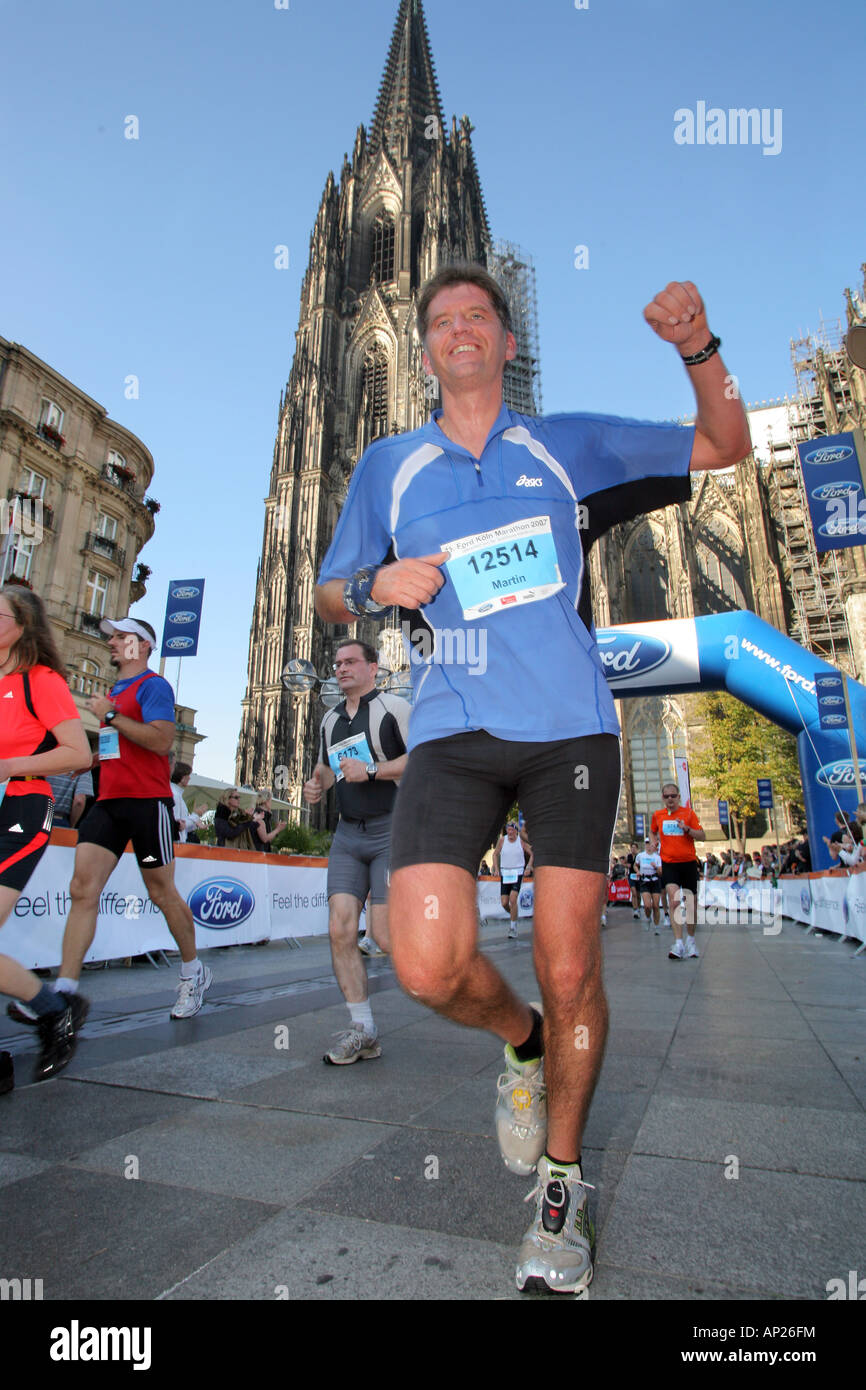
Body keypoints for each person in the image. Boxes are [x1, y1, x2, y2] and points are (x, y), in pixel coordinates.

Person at [314, 262, 750, 1293]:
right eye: (441, 321)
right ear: (423, 348)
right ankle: (519, 1044)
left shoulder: (565, 444)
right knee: (417, 958)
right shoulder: (389, 464)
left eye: (477, 316)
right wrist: (371, 582)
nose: (459, 330)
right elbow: (330, 593)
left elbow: (724, 444)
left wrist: (696, 345)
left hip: (567, 733)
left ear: (506, 342)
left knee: (569, 965)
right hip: (455, 726)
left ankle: (560, 1189)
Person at [49, 618, 213, 1019]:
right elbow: (116, 743)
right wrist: (89, 759)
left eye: (121, 637)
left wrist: (109, 717)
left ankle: (193, 971)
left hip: (147, 803)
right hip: (108, 801)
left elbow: (160, 740)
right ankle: (64, 991)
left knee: (161, 893)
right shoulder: (114, 691)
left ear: (142, 646)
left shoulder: (154, 685)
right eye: (112, 636)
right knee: (82, 889)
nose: (112, 642)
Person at [0, 586, 92, 1081]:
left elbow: (78, 753)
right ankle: (54, 1010)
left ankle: (53, 1009)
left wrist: (9, 765)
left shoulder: (42, 680)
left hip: (20, 810)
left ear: (23, 624)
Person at [303, 639, 409, 1064]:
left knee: (382, 936)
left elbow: (424, 759)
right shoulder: (330, 719)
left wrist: (372, 770)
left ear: (372, 667)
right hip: (348, 834)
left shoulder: (394, 709)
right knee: (340, 930)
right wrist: (318, 784)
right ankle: (362, 1027)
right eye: (337, 663)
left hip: (390, 830)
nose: (340, 669)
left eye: (350, 662)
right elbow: (328, 769)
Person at [651, 783, 705, 958]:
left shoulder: (688, 813)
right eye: (666, 796)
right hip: (669, 864)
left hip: (688, 863)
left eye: (673, 796)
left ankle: (691, 940)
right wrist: (653, 842)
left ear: (678, 797)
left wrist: (687, 829)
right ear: (662, 798)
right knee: (673, 901)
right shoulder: (658, 815)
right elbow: (652, 831)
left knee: (690, 905)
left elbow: (702, 836)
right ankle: (678, 942)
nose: (670, 799)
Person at [492, 821, 533, 939]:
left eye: (512, 830)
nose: (509, 832)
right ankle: (514, 915)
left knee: (513, 898)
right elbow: (495, 854)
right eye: (508, 830)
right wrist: (496, 869)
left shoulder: (521, 841)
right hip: (505, 873)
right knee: (504, 903)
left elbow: (532, 854)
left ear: (516, 831)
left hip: (518, 872)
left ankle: (513, 928)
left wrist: (528, 867)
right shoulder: (502, 840)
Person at [633, 839, 663, 932]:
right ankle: (648, 917)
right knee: (647, 905)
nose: (648, 845)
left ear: (653, 845)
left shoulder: (657, 857)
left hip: (655, 881)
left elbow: (660, 872)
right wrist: (638, 871)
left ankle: (657, 926)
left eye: (650, 843)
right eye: (646, 844)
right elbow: (635, 865)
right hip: (644, 881)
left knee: (656, 905)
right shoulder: (640, 856)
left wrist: (655, 867)